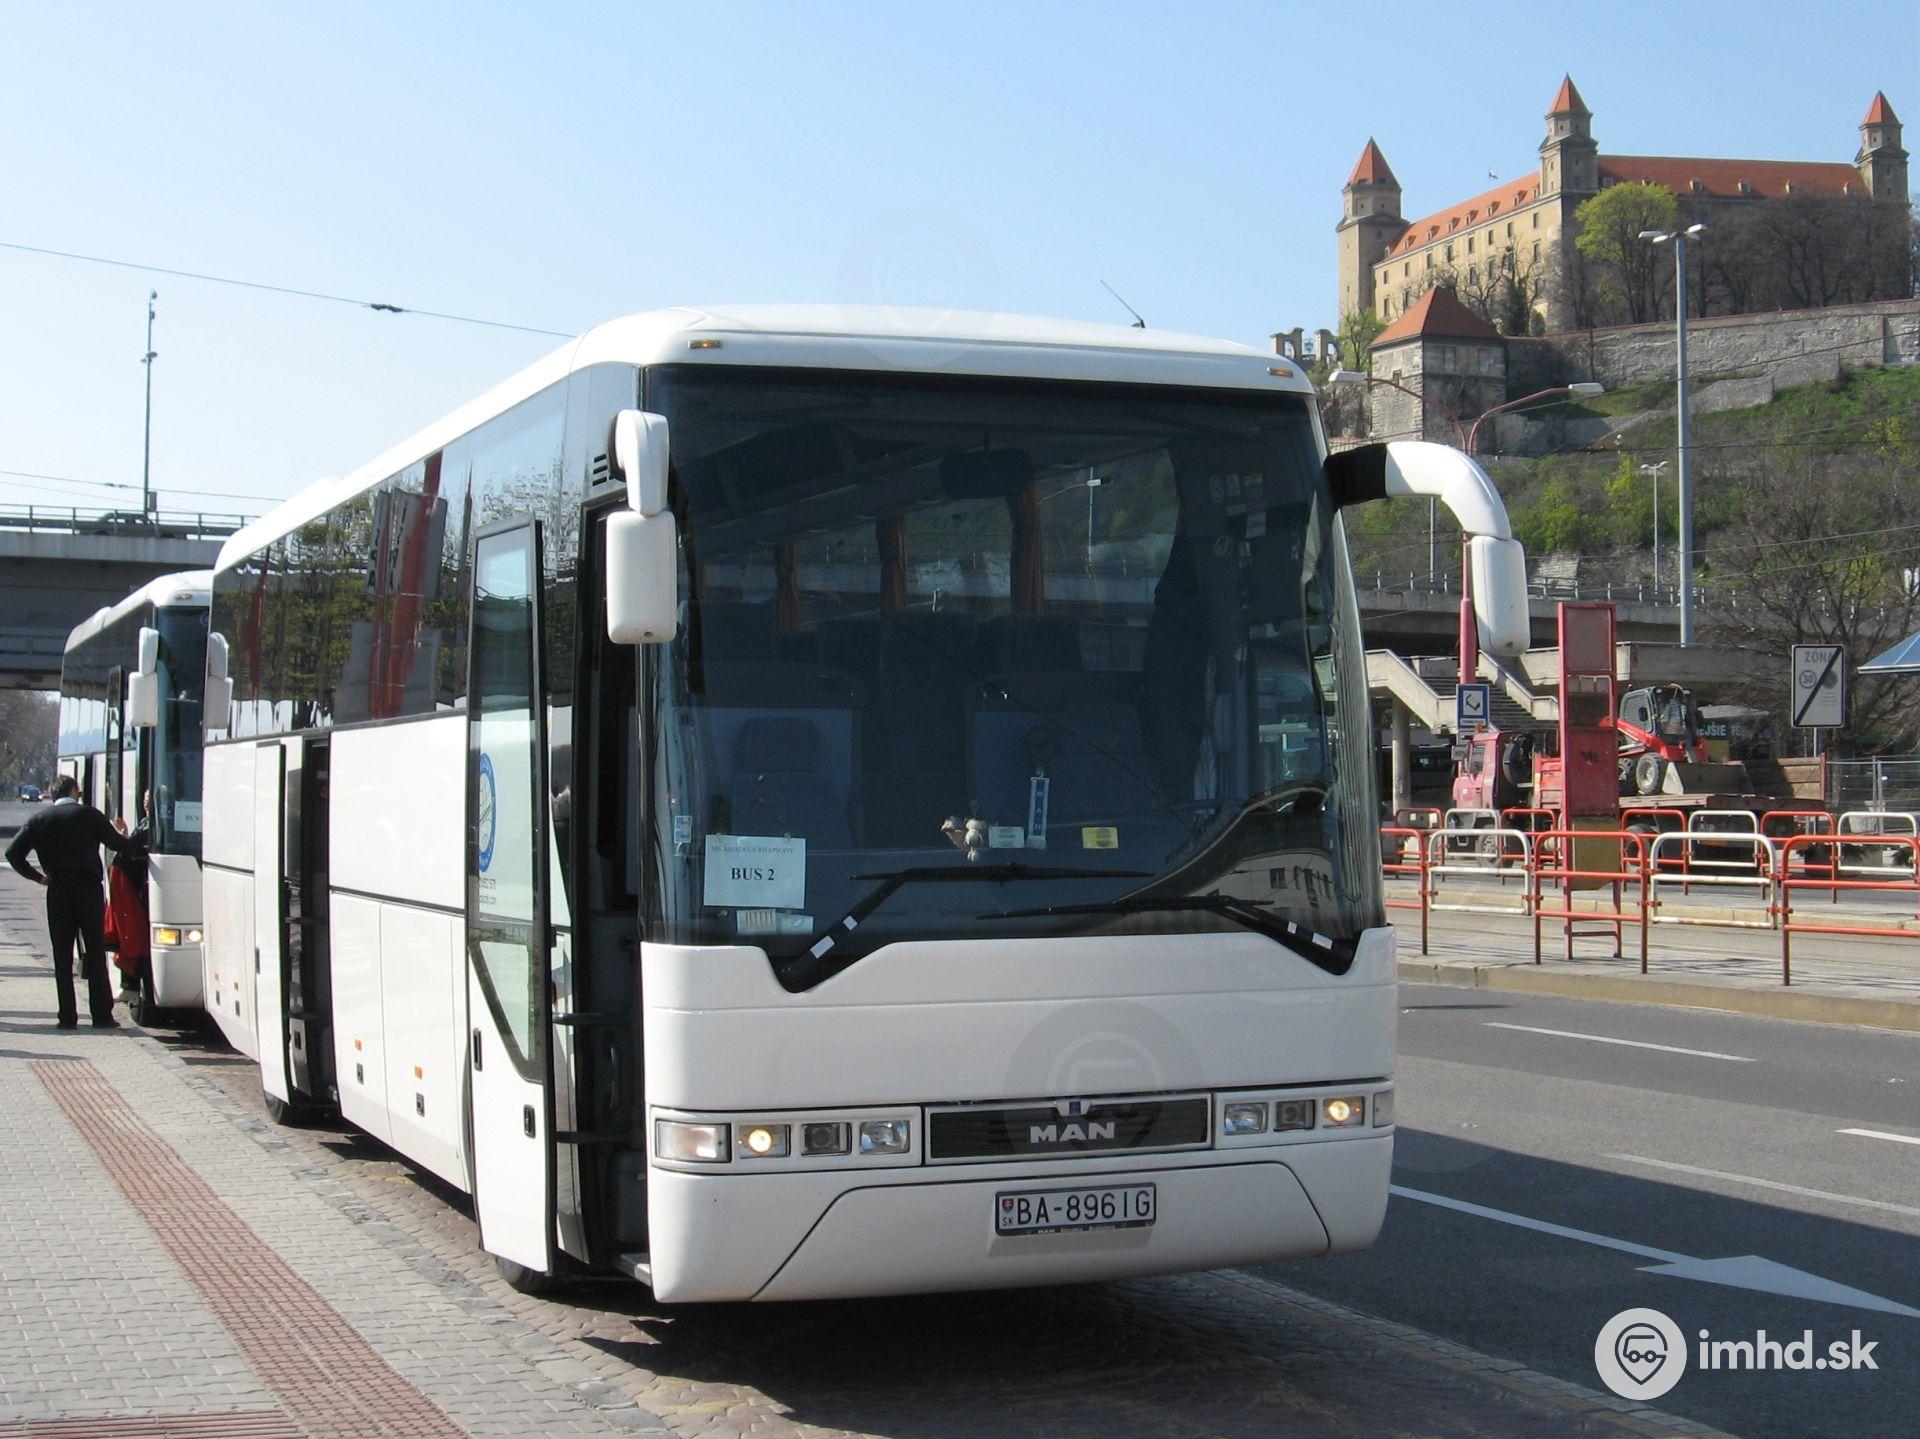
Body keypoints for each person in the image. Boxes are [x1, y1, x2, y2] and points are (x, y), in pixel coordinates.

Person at [5, 774, 139, 1028]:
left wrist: (38, 877)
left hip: (57, 891)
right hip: (88, 890)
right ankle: (101, 1015)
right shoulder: (90, 815)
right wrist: (124, 835)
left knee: (62, 955)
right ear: (74, 790)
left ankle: (67, 1016)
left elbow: (13, 853)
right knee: (95, 951)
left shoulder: (39, 820)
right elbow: (118, 844)